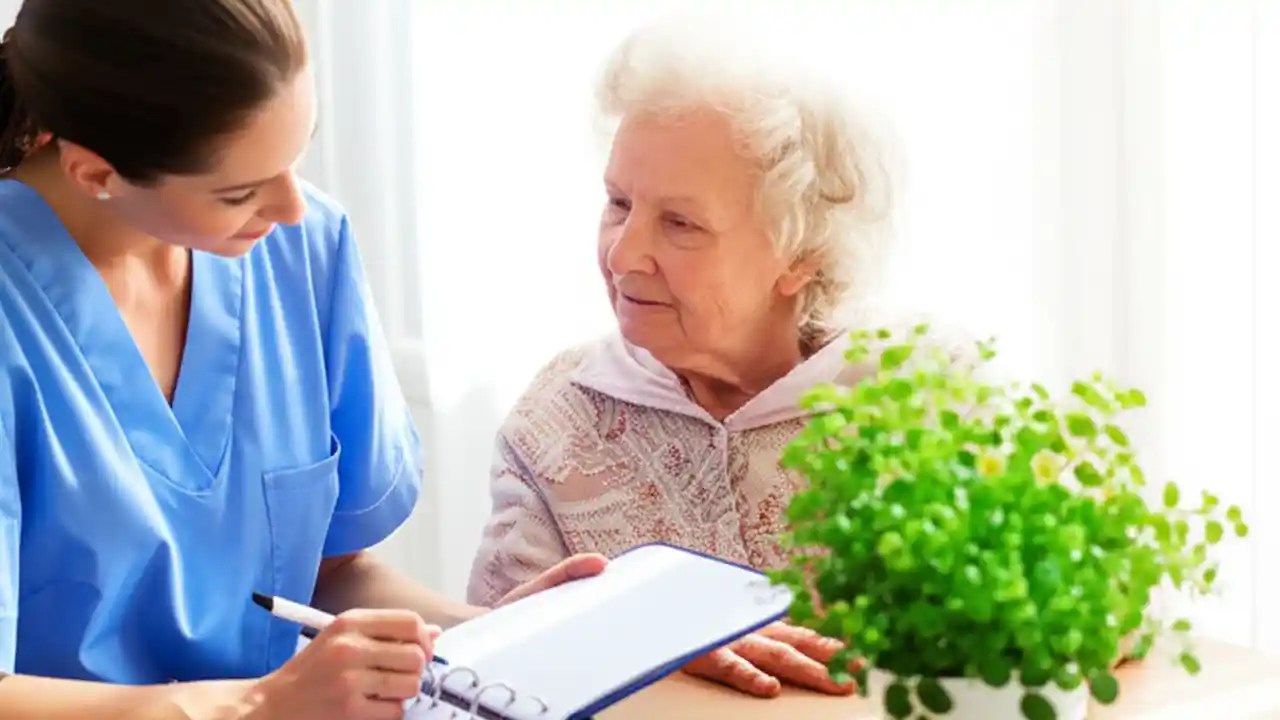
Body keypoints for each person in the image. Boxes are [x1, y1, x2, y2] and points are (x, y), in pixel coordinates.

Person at [0, 1, 606, 718]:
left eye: (295, 156)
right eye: (239, 192)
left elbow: (324, 579)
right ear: (96, 173)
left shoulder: (302, 247)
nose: (291, 207)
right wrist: (257, 705)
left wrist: (498, 636)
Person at [463, 16, 937, 700]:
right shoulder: (558, 418)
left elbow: (1100, 624)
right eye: (618, 202)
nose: (624, 254)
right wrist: (634, 637)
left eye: (680, 224)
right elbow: (486, 679)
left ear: (801, 253)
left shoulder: (925, 399)